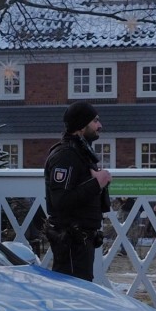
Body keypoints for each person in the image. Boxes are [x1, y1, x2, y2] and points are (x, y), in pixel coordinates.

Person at [43, 101, 110, 281]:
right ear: (81, 126)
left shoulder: (80, 152)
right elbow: (61, 200)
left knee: (80, 289)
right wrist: (97, 184)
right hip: (71, 240)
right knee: (72, 292)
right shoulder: (66, 155)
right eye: (95, 121)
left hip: (81, 239)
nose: (100, 125)